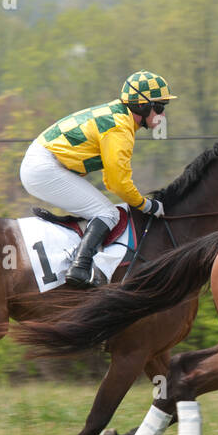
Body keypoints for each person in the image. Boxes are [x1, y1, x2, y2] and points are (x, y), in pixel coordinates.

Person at [20, 70, 176, 288]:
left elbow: (111, 180)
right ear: (141, 106)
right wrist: (145, 204)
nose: (162, 115)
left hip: (42, 162)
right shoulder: (120, 128)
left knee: (105, 211)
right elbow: (119, 183)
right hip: (44, 167)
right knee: (107, 212)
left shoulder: (119, 117)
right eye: (159, 107)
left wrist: (136, 200)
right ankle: (80, 267)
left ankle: (81, 261)